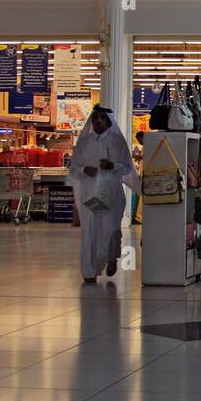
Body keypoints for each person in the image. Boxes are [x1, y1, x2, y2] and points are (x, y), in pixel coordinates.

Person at [71, 106, 138, 283]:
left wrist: (113, 166)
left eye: (101, 118)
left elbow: (127, 167)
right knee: (90, 231)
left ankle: (110, 258)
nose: (98, 121)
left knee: (110, 230)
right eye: (95, 118)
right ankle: (89, 270)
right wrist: (86, 169)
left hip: (111, 195)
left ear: (108, 120)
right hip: (90, 195)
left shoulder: (117, 141)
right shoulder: (84, 142)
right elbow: (74, 168)